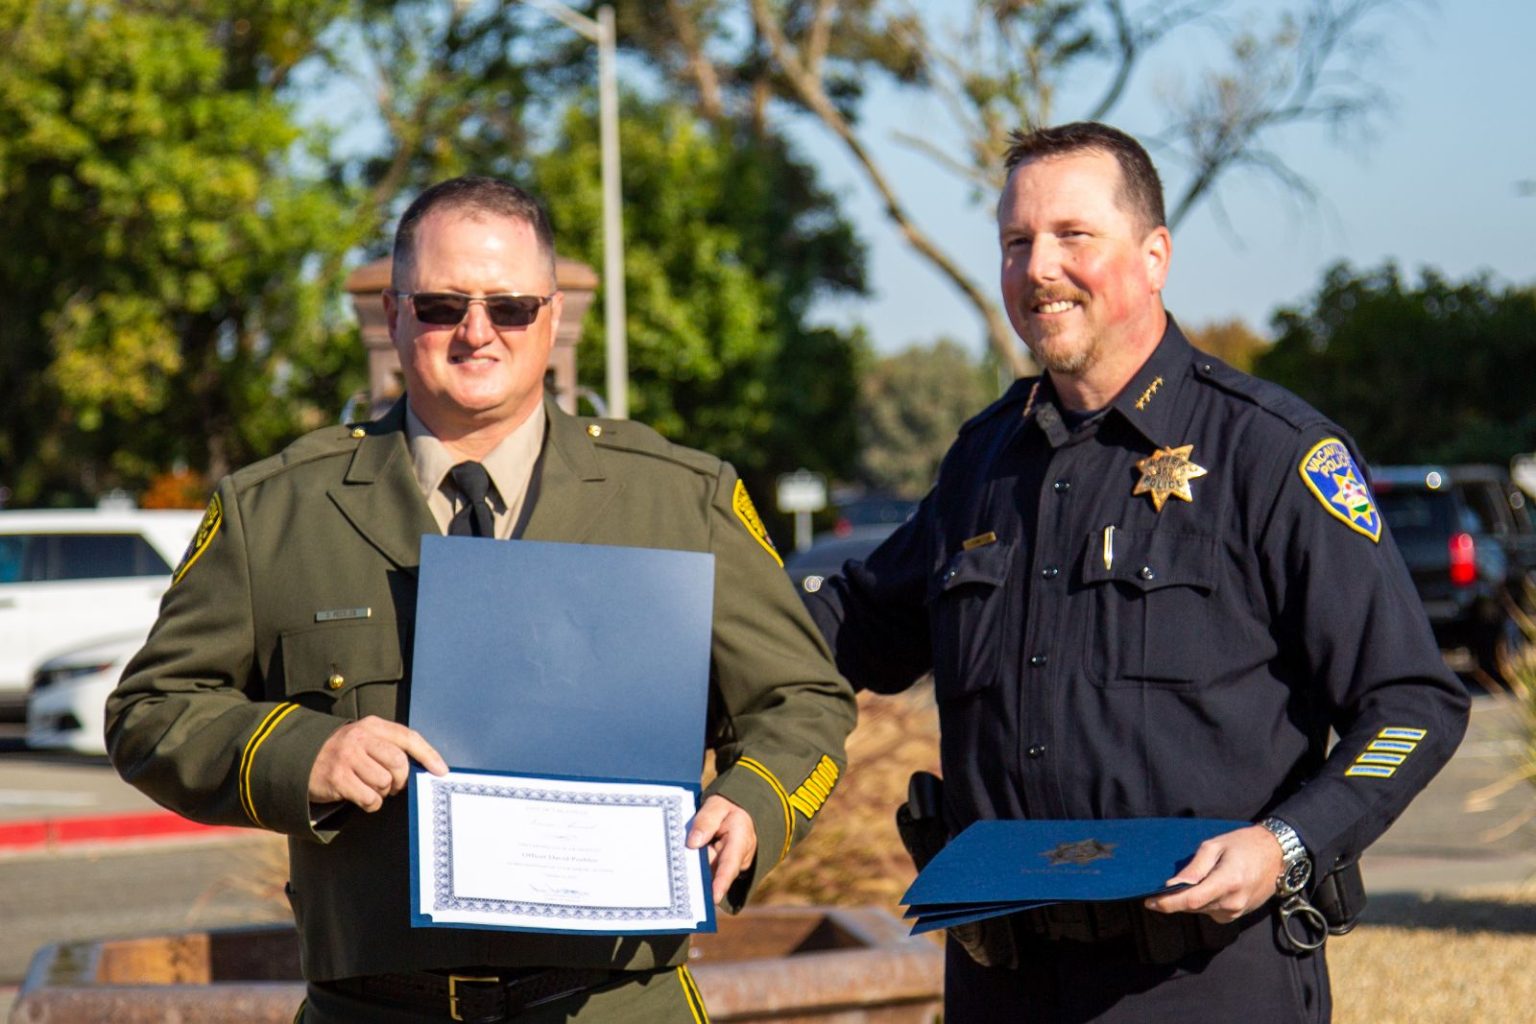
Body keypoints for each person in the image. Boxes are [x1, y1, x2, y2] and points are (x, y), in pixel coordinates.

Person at [106, 176, 857, 1023]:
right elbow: (150, 710)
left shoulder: (681, 501)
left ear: (552, 318)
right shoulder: (276, 512)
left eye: (509, 307)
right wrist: (302, 755)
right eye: (440, 305)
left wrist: (754, 801)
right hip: (377, 1007)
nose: (477, 333)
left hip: (616, 1002)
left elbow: (803, 700)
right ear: (393, 315)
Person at [802, 122, 1471, 1023]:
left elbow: (1413, 704)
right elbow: (855, 629)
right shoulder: (982, 464)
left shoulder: (1272, 455)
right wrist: (693, 623)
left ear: (1155, 256)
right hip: (1003, 980)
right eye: (1016, 242)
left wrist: (1286, 844)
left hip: (1203, 981)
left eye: (1074, 236)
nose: (1039, 268)